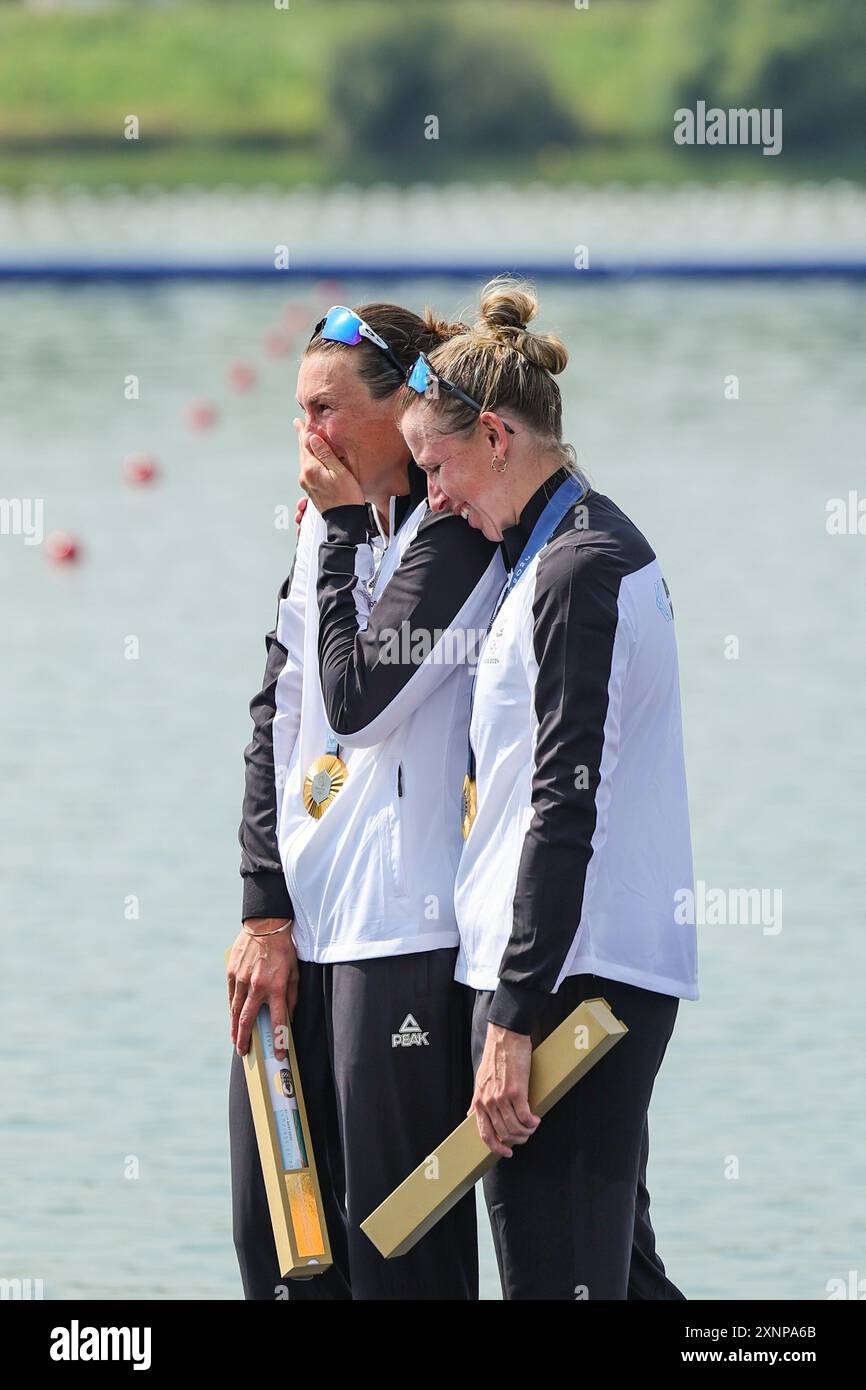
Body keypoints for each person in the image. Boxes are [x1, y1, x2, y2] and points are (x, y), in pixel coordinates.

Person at [398, 277, 699, 1301]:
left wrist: (514, 1018)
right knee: (621, 1280)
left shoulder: (578, 572)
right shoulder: (569, 551)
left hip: (572, 981)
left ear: (493, 436)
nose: (432, 495)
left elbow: (564, 803)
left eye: (434, 466)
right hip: (581, 967)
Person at [228, 302, 504, 1299]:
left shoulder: (457, 536)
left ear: (403, 410)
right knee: (278, 1255)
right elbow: (278, 712)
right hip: (299, 936)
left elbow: (354, 699)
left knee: (398, 1270)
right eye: (297, 411)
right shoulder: (326, 536)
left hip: (402, 946)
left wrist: (340, 527)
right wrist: (262, 909)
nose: (307, 435)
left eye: (327, 409)